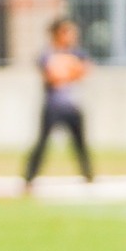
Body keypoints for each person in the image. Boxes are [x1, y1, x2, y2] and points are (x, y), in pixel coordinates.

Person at [23, 17, 94, 189]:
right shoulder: (46, 54)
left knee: (80, 143)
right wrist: (70, 71)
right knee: (42, 142)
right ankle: (30, 177)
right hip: (53, 106)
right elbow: (52, 76)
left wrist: (67, 71)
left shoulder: (77, 53)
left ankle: (88, 175)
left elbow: (86, 70)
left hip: (73, 105)